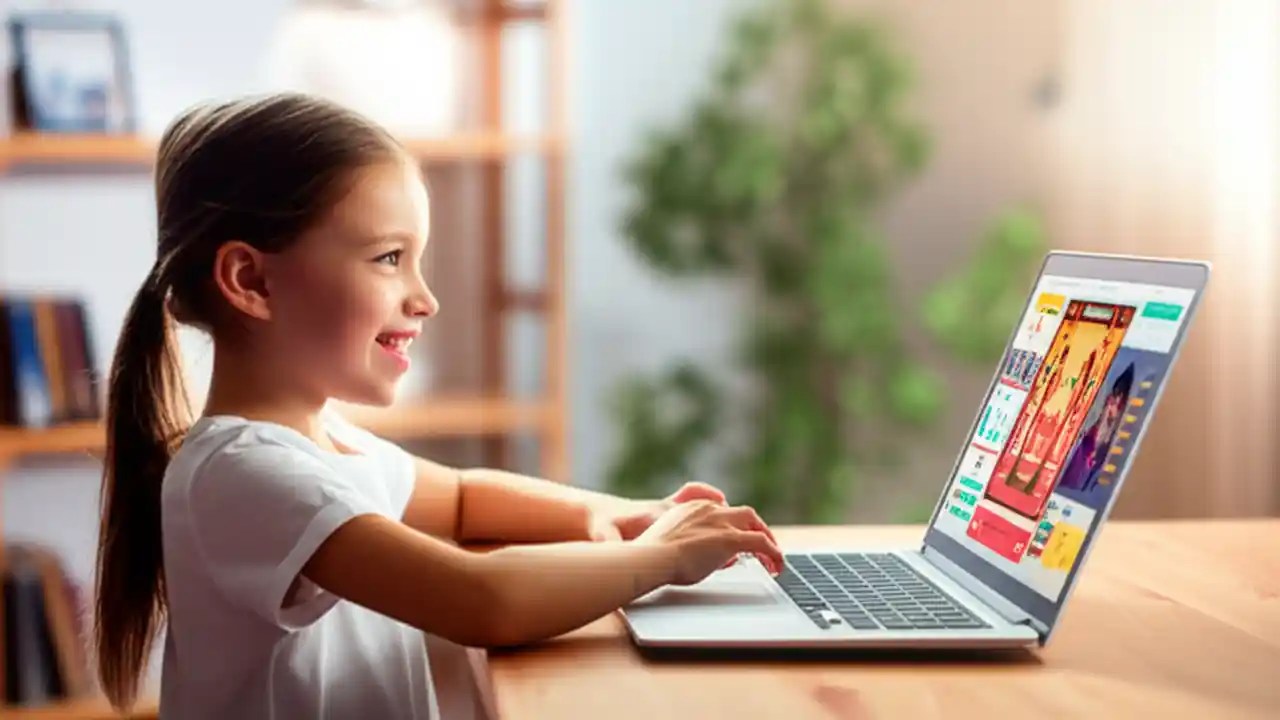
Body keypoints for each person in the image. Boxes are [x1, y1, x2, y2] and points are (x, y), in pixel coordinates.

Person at [92, 93, 783, 720]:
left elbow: (460, 499)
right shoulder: (243, 475)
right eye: (389, 257)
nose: (424, 298)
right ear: (252, 280)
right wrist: (658, 560)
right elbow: (480, 600)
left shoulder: (322, 441)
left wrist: (604, 515)